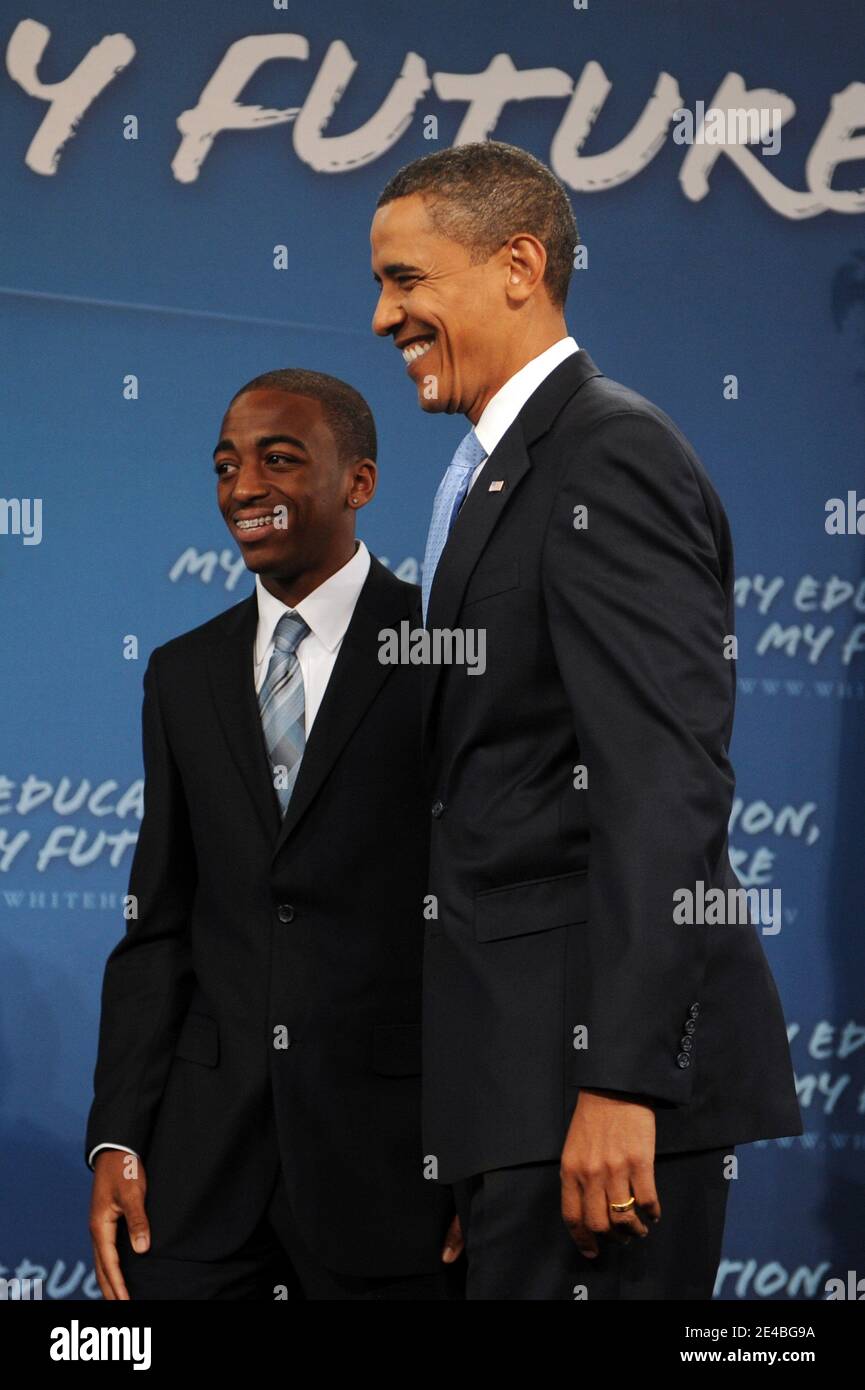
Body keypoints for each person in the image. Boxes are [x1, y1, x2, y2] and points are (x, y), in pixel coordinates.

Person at [369, 141, 802, 1300]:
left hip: (596, 1101)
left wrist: (622, 1081)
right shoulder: (495, 470)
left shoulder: (607, 452)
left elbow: (662, 784)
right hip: (516, 1093)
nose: (380, 316)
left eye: (407, 280)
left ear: (518, 265)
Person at [86, 368, 461, 1300]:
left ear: (359, 484)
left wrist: (483, 1146)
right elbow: (159, 925)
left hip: (395, 1168)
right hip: (201, 1175)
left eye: (278, 460)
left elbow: (477, 922)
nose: (244, 487)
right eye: (226, 466)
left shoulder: (444, 648)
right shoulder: (182, 674)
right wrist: (119, 1134)